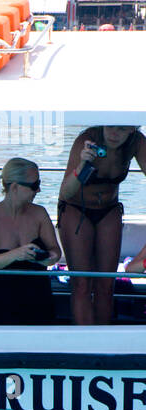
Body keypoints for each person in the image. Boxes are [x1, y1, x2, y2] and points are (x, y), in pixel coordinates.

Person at [58, 125, 146, 324]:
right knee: (81, 283)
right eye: (111, 127)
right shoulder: (87, 140)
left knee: (106, 283)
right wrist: (82, 164)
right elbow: (65, 192)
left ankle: (103, 340)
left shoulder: (136, 142)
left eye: (122, 129)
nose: (114, 134)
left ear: (132, 130)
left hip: (109, 209)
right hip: (76, 207)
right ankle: (83, 341)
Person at [0, 158, 60, 325]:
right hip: (2, 301)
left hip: (39, 297)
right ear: (14, 187)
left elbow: (55, 251)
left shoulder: (40, 214)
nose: (39, 190)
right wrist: (16, 254)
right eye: (34, 185)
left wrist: (48, 257)